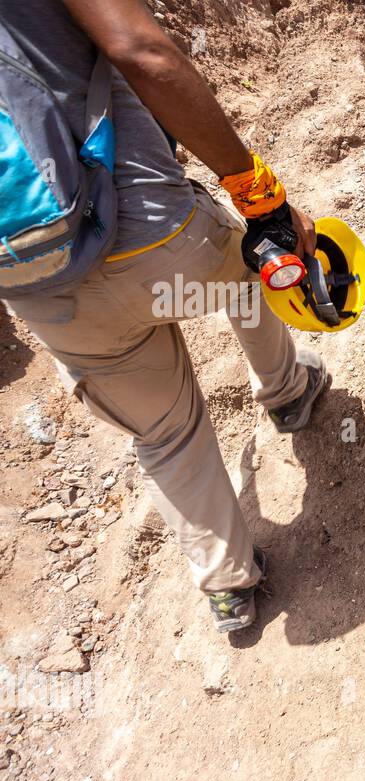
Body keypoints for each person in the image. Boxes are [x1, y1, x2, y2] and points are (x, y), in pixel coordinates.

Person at [0, 0, 328, 632]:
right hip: (151, 235)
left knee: (162, 432)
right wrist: (259, 195)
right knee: (246, 277)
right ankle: (288, 391)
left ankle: (228, 585)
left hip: (38, 283)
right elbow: (142, 52)